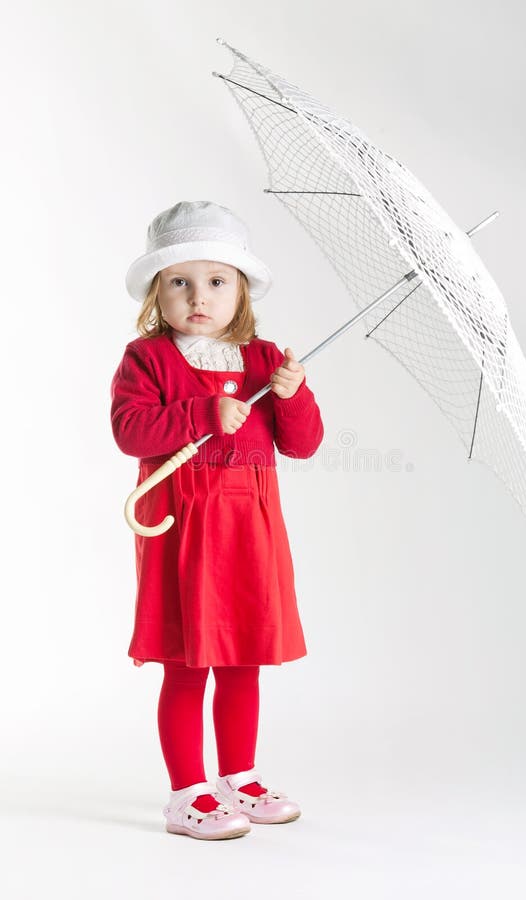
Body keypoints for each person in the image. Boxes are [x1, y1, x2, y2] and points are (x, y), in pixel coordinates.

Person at [110, 200, 324, 840]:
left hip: (249, 530)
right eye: (180, 281)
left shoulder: (262, 361)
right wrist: (203, 414)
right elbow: (130, 429)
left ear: (242, 292)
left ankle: (240, 776)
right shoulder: (147, 358)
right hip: (183, 525)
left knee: (242, 660)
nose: (198, 296)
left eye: (216, 281)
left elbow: (303, 444)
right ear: (157, 291)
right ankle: (187, 792)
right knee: (188, 661)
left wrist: (294, 393)